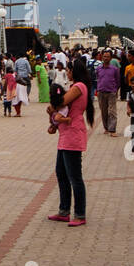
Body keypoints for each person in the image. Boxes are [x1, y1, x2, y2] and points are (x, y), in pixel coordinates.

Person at [47, 57, 95, 226]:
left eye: (69, 69)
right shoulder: (75, 86)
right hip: (65, 133)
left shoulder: (78, 87)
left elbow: (61, 102)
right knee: (61, 172)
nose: (67, 72)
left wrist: (52, 106)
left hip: (73, 134)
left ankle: (80, 214)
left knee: (75, 176)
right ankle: (64, 210)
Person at [94, 49, 120, 136]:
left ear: (111, 58)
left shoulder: (114, 69)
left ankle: (112, 130)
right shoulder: (98, 69)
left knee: (112, 111)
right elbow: (97, 79)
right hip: (101, 92)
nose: (106, 58)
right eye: (104, 56)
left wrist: (116, 90)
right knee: (103, 111)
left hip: (111, 92)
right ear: (102, 57)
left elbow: (118, 80)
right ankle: (106, 128)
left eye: (108, 57)